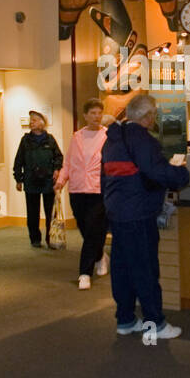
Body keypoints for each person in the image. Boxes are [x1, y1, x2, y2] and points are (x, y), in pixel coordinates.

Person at [101, 93, 189, 339]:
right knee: (145, 268)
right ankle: (155, 324)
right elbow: (158, 171)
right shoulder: (143, 141)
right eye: (154, 114)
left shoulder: (111, 140)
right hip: (138, 213)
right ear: (147, 116)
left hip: (117, 212)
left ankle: (126, 319)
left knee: (122, 267)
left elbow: (105, 178)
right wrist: (182, 174)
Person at [55, 98, 109, 289]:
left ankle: (84, 273)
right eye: (93, 113)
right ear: (85, 115)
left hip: (98, 189)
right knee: (86, 229)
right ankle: (100, 254)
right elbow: (68, 163)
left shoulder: (107, 136)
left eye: (99, 113)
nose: (96, 116)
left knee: (94, 228)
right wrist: (61, 180)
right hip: (77, 189)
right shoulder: (77, 136)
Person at [13, 111, 64, 249]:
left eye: (34, 120)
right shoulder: (25, 141)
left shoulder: (50, 139)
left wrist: (57, 169)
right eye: (31, 120)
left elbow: (59, 156)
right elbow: (19, 160)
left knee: (50, 212)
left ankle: (51, 238)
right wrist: (18, 179)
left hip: (48, 180)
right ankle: (35, 239)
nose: (31, 122)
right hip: (31, 180)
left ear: (42, 123)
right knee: (32, 212)